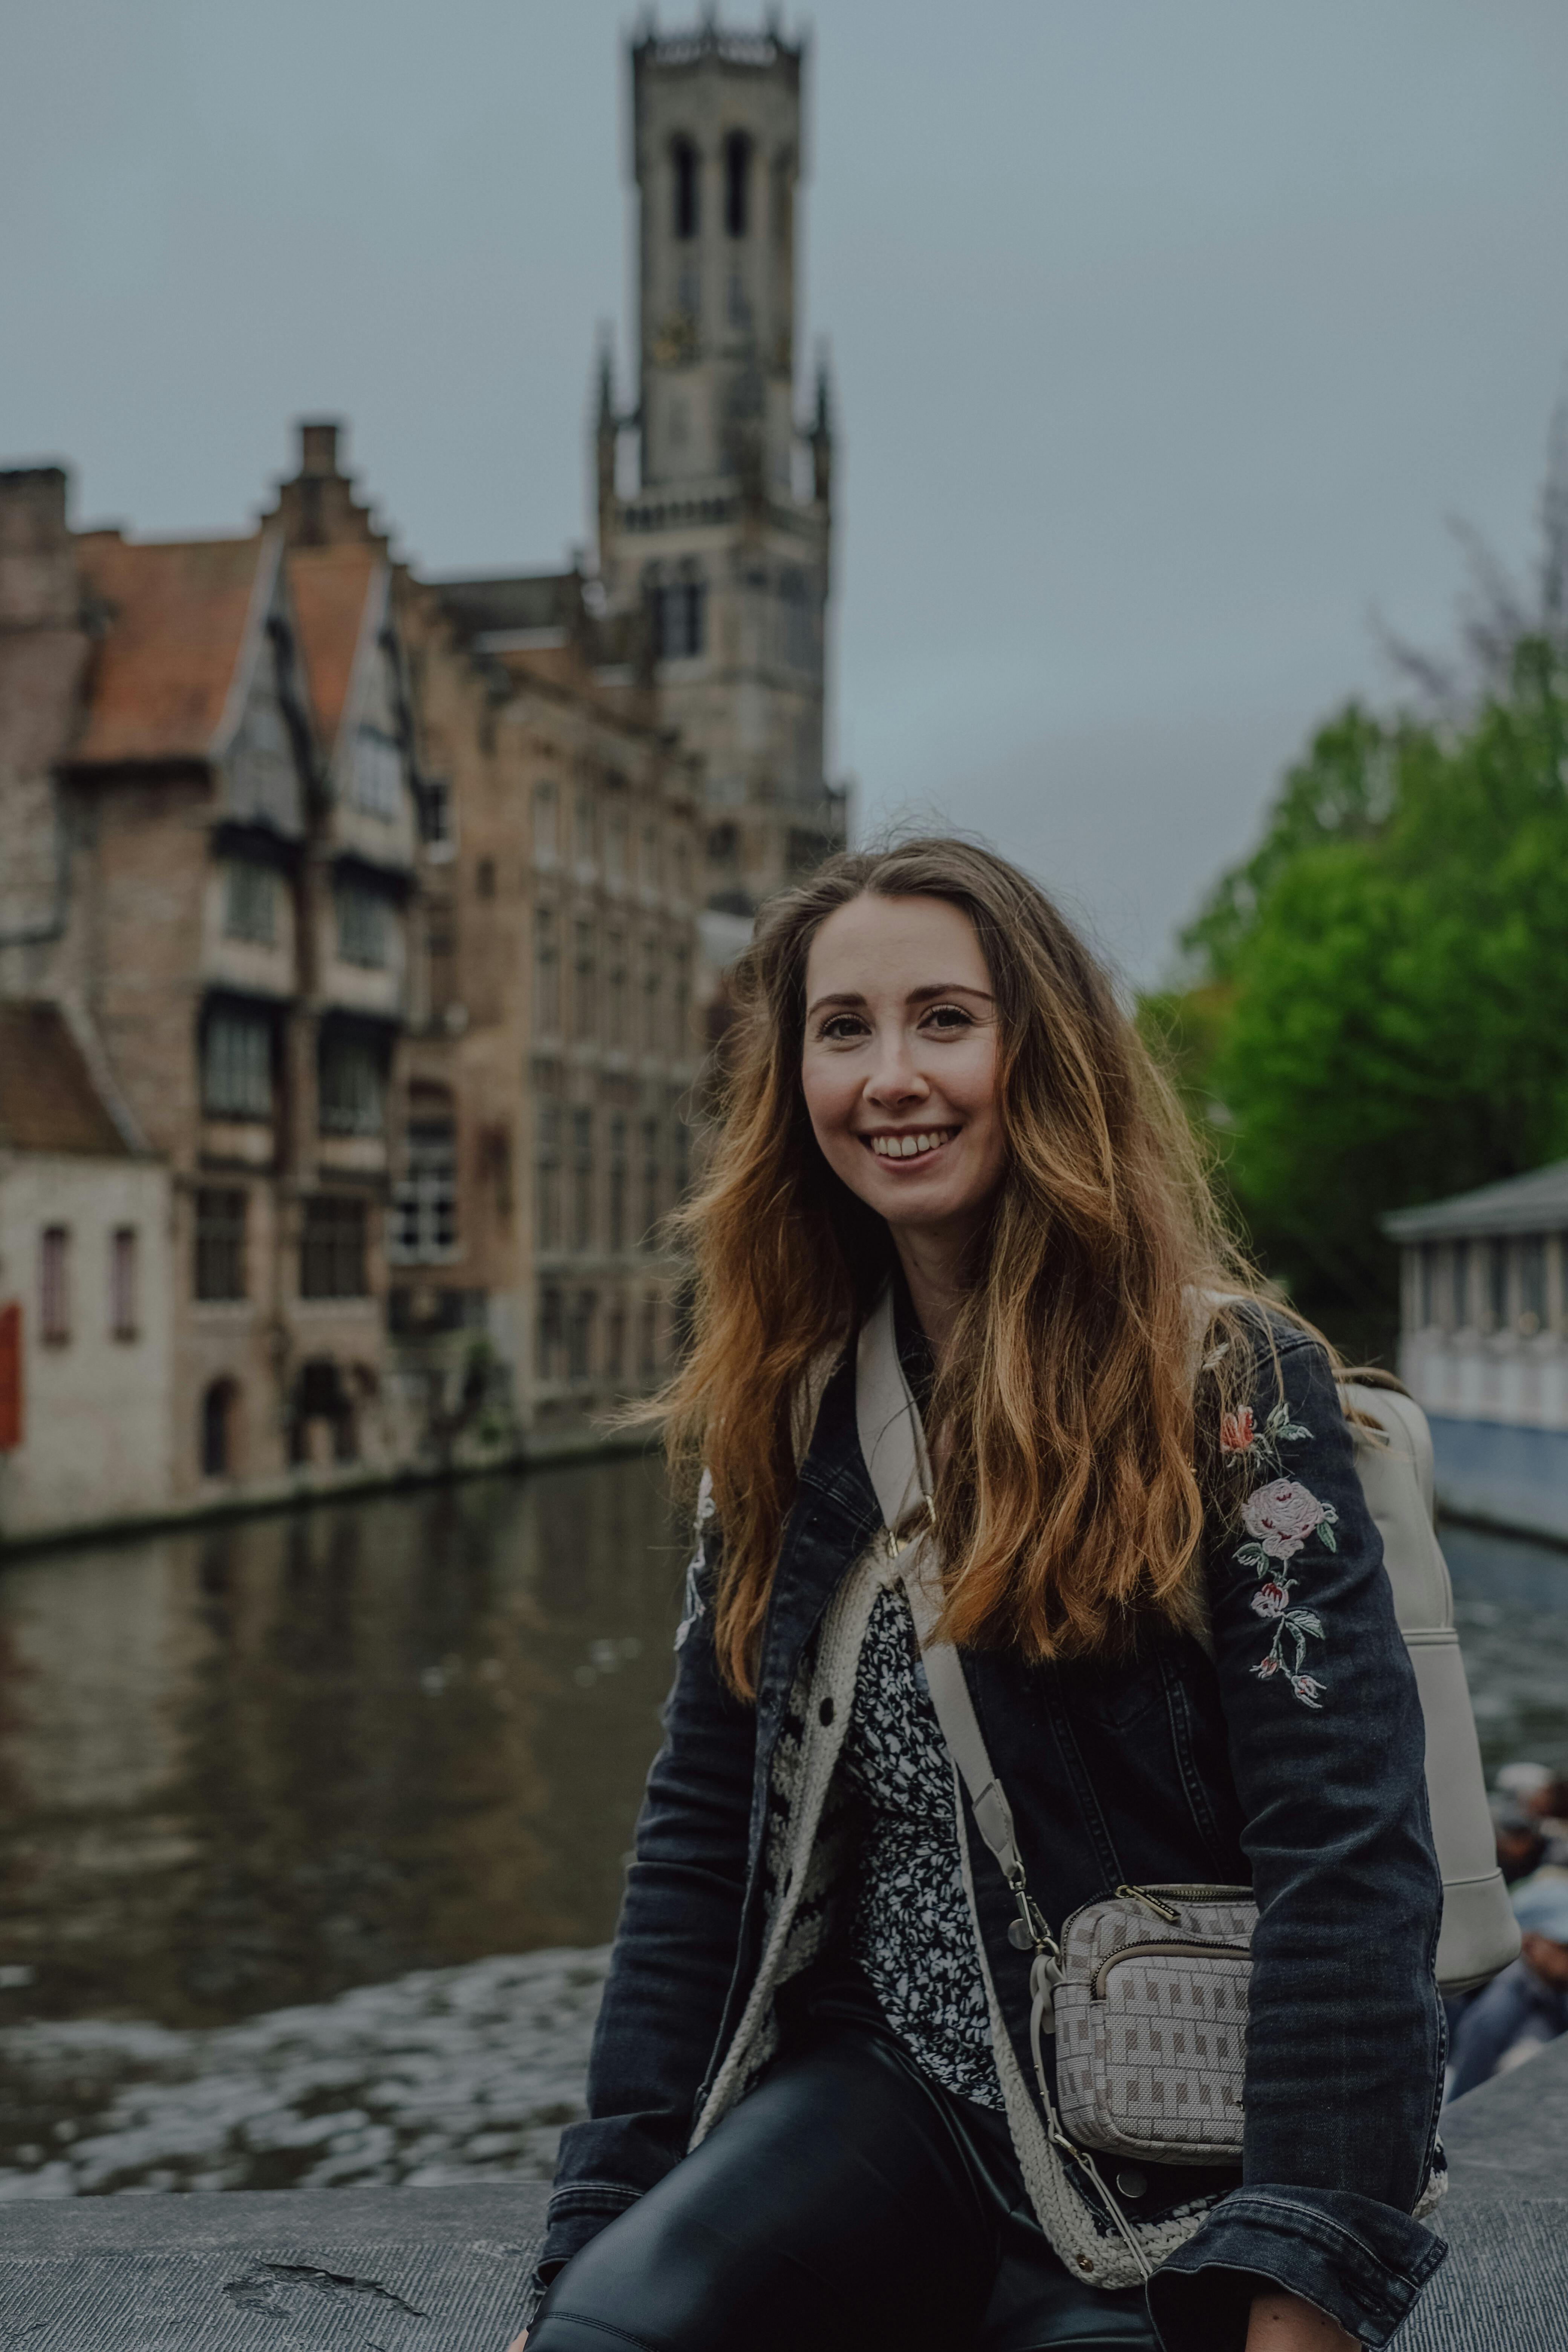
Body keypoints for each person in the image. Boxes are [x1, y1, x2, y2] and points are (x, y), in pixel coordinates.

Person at [510, 842, 1447, 2352]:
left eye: (944, 1019)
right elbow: (694, 1841)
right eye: (843, 1030)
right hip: (888, 2098)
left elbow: (1343, 1847)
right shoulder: (789, 1413)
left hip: (1154, 2143)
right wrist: (590, 2234)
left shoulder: (1228, 1389)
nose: (891, 1077)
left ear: (1041, 1052)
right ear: (792, 1080)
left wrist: (1306, 2271)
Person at [1448, 1871, 1568, 2098]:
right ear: (1530, 1944)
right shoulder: (1496, 2013)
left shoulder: (1557, 1991)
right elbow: (1463, 2101)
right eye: (1564, 1947)